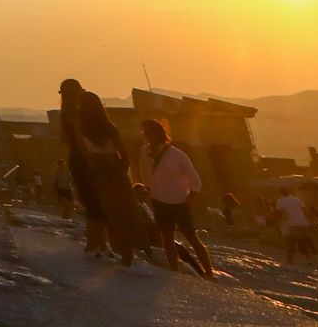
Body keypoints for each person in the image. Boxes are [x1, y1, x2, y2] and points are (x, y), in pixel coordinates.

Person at [58, 78, 140, 265]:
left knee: (97, 206)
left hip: (86, 162)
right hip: (90, 163)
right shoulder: (78, 118)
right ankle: (99, 246)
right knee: (100, 206)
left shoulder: (73, 117)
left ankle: (100, 246)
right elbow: (89, 148)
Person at [138, 118, 214, 278]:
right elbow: (145, 176)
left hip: (179, 202)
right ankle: (175, 272)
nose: (145, 134)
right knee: (167, 239)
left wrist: (189, 201)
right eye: (144, 131)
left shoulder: (178, 155)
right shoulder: (145, 152)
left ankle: (209, 273)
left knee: (192, 239)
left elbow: (195, 182)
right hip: (159, 201)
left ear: (158, 133)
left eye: (148, 131)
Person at [275, 185, 316, 263]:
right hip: (303, 222)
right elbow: (304, 209)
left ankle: (297, 258)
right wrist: (307, 219)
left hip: (293, 224)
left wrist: (278, 222)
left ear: (281, 193)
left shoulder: (280, 201)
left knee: (298, 241)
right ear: (288, 191)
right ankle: (310, 256)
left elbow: (277, 213)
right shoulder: (296, 199)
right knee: (308, 239)